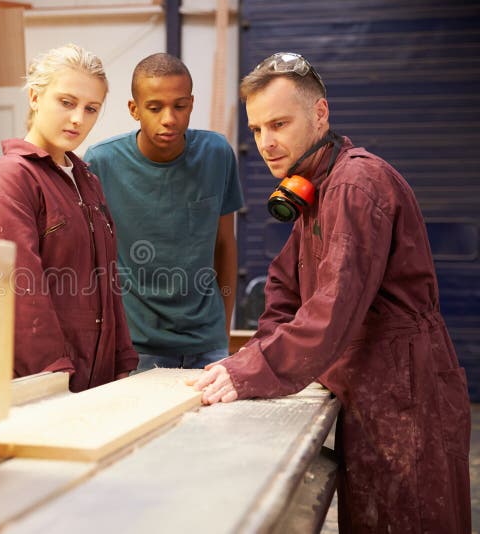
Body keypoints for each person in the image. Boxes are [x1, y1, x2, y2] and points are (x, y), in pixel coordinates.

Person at [189, 52, 471, 532]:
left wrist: (250, 372)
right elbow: (284, 290)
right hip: (371, 390)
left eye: (279, 123)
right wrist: (256, 357)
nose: (266, 143)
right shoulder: (316, 190)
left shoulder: (356, 186)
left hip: (407, 393)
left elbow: (332, 310)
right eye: (257, 130)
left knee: (412, 519)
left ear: (321, 113)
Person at [0, 44, 138, 392]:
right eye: (67, 102)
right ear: (34, 97)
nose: (78, 118)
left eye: (91, 108)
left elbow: (108, 280)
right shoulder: (10, 178)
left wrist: (120, 363)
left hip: (94, 383)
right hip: (36, 387)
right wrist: (52, 379)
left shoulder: (87, 181)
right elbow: (15, 290)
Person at [85, 53, 243, 372]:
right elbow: (92, 260)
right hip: (137, 348)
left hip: (208, 346)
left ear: (191, 104)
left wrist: (221, 337)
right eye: (155, 108)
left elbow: (225, 246)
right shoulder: (101, 163)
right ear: (135, 109)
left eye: (180, 106)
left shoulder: (217, 154)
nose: (169, 119)